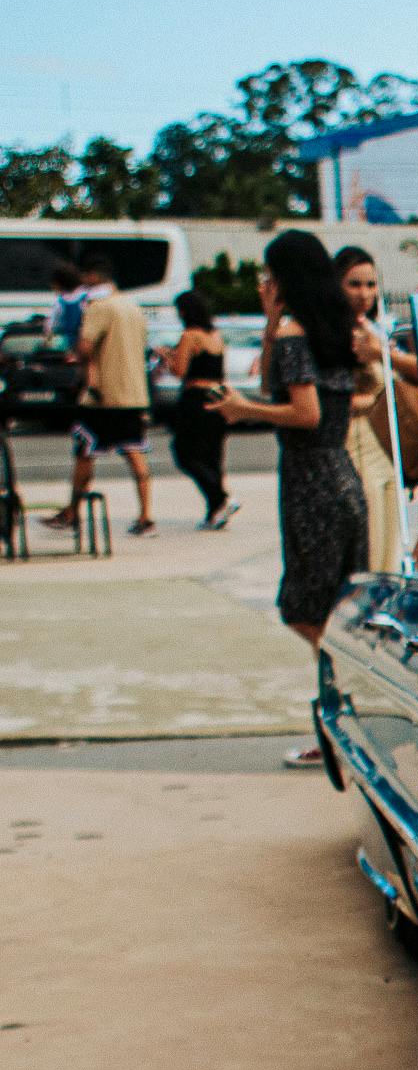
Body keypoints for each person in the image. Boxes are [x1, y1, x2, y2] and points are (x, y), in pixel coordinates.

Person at [206, 231, 364, 766]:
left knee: (304, 609)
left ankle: (347, 702)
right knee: (332, 605)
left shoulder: (301, 334)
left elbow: (305, 412)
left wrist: (245, 410)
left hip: (312, 481)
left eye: (270, 274)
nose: (264, 283)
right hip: (340, 476)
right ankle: (341, 712)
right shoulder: (328, 330)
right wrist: (270, 320)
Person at [48, 252, 157, 538]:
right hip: (134, 393)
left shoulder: (98, 307)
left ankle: (72, 511)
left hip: (102, 395)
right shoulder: (134, 308)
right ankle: (146, 515)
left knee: (85, 451)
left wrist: (78, 358)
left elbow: (85, 347)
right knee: (135, 453)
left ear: (92, 276)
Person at [333, 247, 406, 576]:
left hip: (385, 443)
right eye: (354, 284)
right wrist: (379, 397)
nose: (364, 293)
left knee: (389, 538)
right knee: (371, 541)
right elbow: (333, 399)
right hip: (356, 442)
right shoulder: (337, 335)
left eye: (370, 284)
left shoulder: (373, 329)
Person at [159, 290, 232, 529]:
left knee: (185, 452)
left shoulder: (190, 335)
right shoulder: (216, 336)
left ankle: (220, 498)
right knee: (212, 455)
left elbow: (179, 371)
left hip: (195, 397)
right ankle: (215, 511)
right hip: (218, 395)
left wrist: (167, 358)